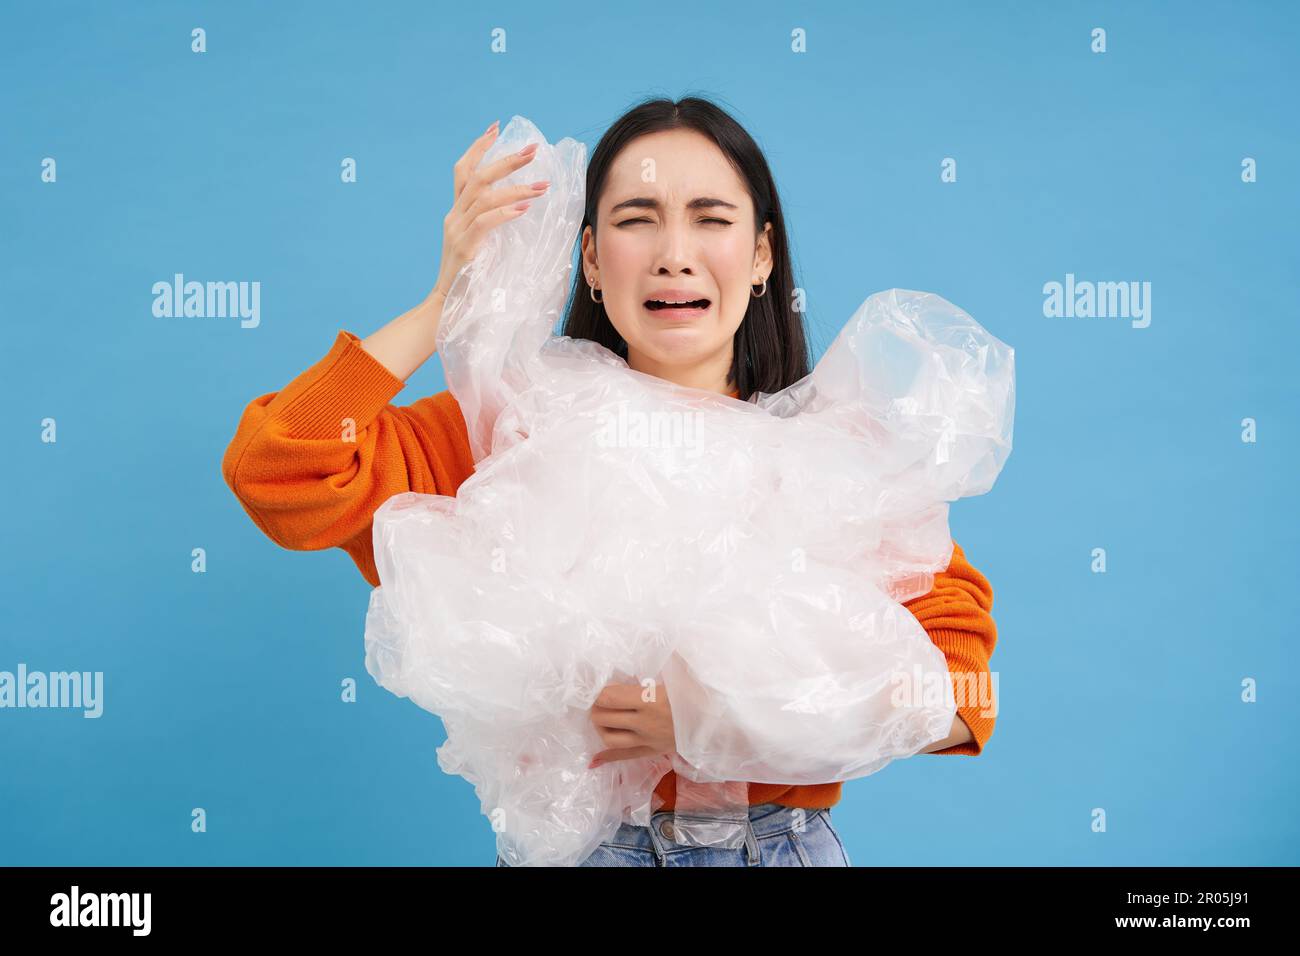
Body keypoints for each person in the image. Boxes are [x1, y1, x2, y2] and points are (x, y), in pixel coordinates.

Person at [221, 95, 999, 867]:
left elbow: (963, 700)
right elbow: (277, 463)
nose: (674, 252)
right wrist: (445, 303)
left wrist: (726, 717)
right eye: (637, 218)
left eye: (710, 217)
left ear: (762, 255)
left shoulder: (837, 457)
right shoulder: (510, 431)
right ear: (591, 258)